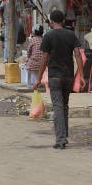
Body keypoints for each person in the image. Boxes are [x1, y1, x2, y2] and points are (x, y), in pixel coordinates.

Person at [32, 9, 83, 149]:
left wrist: (38, 78)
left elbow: (44, 58)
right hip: (68, 76)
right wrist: (82, 75)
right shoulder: (71, 34)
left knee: (58, 107)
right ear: (63, 20)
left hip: (54, 76)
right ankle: (64, 134)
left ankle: (61, 139)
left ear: (52, 21)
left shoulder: (48, 36)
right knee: (64, 105)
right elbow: (78, 54)